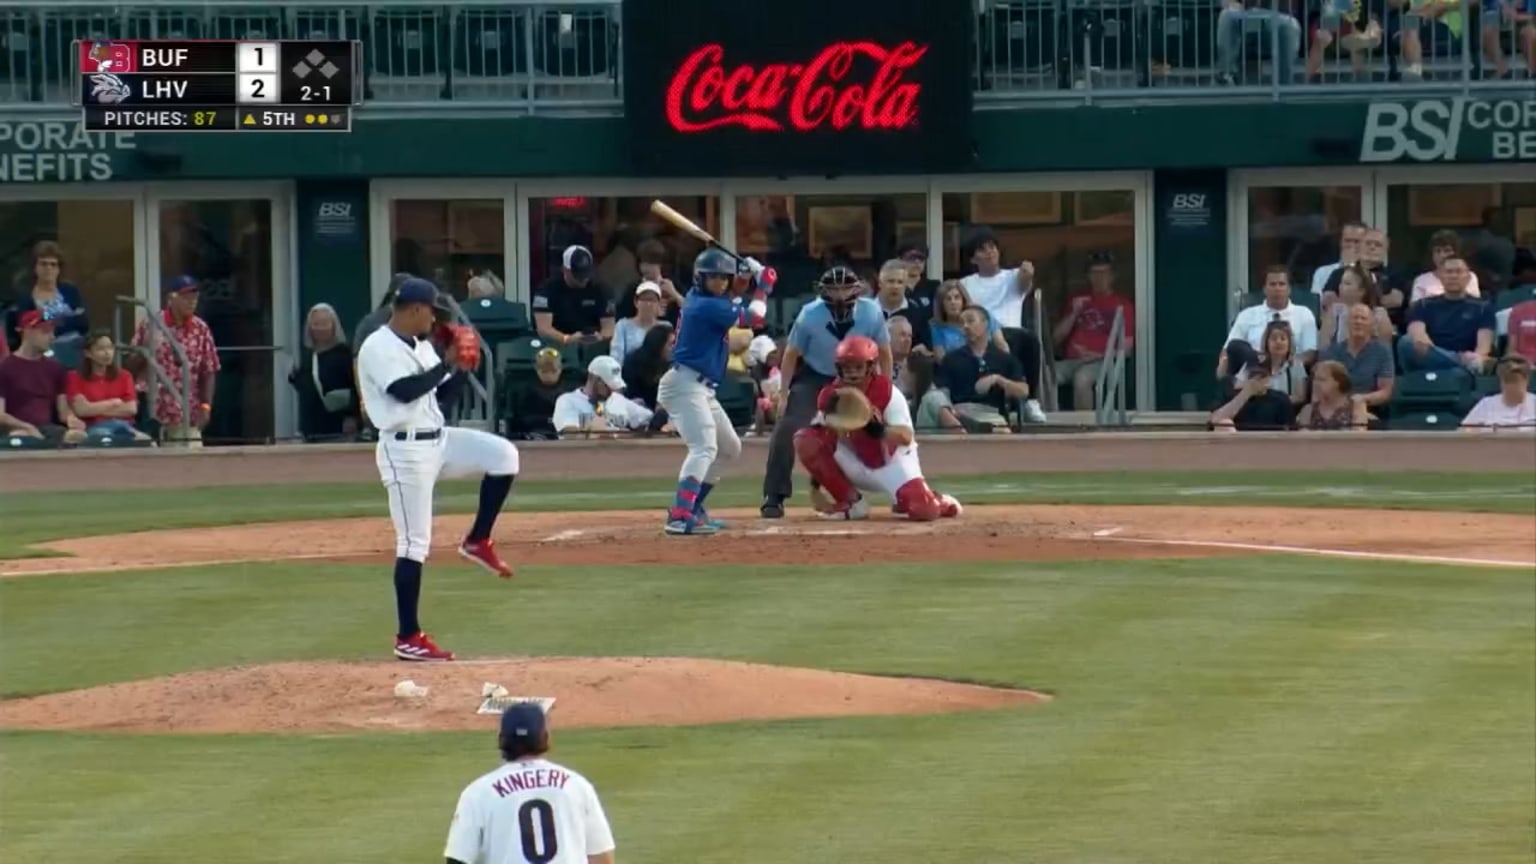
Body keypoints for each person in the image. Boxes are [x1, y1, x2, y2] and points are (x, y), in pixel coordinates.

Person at [354, 278, 522, 661]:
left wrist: (461, 370)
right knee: (414, 544)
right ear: (414, 310)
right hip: (404, 451)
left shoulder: (420, 345)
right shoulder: (378, 346)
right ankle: (408, 636)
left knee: (504, 456)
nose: (435, 318)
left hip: (438, 440)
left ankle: (478, 540)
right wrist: (446, 363)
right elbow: (403, 391)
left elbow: (439, 395)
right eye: (431, 310)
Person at [759, 265, 891, 519]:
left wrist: (885, 387)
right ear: (823, 290)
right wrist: (784, 394)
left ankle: (901, 490)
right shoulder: (810, 314)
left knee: (884, 423)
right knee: (788, 428)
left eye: (844, 287)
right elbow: (791, 355)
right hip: (816, 376)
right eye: (833, 288)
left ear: (857, 289)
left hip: (859, 377)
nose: (839, 294)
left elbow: (884, 351)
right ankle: (773, 495)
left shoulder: (871, 312)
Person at [657, 248, 769, 535]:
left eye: (724, 278)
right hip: (684, 384)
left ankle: (694, 508)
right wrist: (764, 285)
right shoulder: (705, 306)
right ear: (700, 279)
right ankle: (679, 516)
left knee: (729, 447)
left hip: (701, 388)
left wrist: (744, 278)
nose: (719, 283)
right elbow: (754, 318)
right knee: (704, 447)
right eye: (713, 278)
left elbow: (731, 300)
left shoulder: (708, 300)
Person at [792, 335, 962, 521]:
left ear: (870, 367)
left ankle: (937, 500)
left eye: (858, 367)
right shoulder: (831, 397)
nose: (852, 373)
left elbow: (905, 437)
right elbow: (820, 439)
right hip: (854, 458)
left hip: (891, 459)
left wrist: (879, 431)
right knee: (805, 438)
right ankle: (851, 502)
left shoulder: (888, 393)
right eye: (847, 367)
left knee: (923, 511)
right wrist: (815, 484)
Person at [443, 703, 616, 864]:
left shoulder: (478, 792)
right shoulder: (577, 785)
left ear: (501, 739)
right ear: (546, 738)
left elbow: (458, 859)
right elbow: (602, 858)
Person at [127, 275, 221, 447]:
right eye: (186, 298)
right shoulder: (152, 324)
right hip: (153, 410)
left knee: (191, 461)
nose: (191, 302)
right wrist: (146, 349)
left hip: (187, 411)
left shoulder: (201, 328)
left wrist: (206, 406)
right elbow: (129, 367)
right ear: (171, 298)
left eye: (194, 298)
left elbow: (209, 370)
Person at [0, 310, 87, 445]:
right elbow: (1, 415)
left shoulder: (55, 368)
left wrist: (71, 419)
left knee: (79, 437)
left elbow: (63, 412)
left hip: (47, 429)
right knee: (21, 437)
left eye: (53, 332)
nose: (52, 337)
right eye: (45, 332)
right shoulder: (5, 367)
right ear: (28, 331)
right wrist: (27, 427)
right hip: (15, 429)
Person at [1398, 256, 1494, 375]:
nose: (1453, 276)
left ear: (1468, 277)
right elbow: (1418, 336)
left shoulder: (1483, 307)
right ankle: (1459, 362)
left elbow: (1483, 349)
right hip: (1430, 359)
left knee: (1476, 363)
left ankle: (1460, 365)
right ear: (1441, 277)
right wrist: (1446, 357)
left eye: (1458, 271)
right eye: (1449, 272)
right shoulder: (1423, 304)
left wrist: (1476, 358)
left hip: (1465, 369)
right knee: (1406, 342)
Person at [288, 303, 357, 441]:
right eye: (316, 324)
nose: (320, 329)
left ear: (334, 326)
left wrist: (352, 417)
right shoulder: (307, 356)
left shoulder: (344, 355)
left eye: (325, 324)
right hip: (311, 426)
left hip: (337, 425)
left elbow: (355, 387)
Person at [66, 330, 149, 443]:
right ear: (87, 353)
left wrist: (93, 408)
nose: (107, 353)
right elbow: (81, 410)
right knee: (103, 438)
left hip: (124, 426)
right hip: (94, 426)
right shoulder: (75, 377)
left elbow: (131, 409)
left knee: (146, 441)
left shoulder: (124, 376)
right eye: (101, 349)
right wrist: (113, 403)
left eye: (110, 348)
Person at [6, 241, 88, 350]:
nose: (48, 268)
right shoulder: (25, 298)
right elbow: (28, 332)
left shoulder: (70, 291)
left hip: (76, 349)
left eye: (53, 264)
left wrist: (49, 324)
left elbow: (83, 323)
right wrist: (68, 321)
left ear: (59, 269)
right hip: (43, 352)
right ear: (35, 267)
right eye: (43, 264)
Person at [532, 245, 616, 347]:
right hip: (558, 345)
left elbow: (609, 328)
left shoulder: (601, 289)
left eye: (586, 274)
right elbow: (544, 329)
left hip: (594, 346)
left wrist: (600, 338)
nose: (583, 279)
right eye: (578, 275)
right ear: (565, 269)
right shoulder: (547, 290)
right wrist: (567, 339)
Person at [552, 356, 654, 438]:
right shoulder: (567, 401)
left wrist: (620, 434)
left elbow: (650, 421)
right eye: (608, 385)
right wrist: (591, 431)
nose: (611, 390)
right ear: (595, 379)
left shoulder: (618, 400)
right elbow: (569, 435)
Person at [1460, 355, 1536, 432]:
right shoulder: (1486, 404)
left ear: (1527, 381)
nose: (1512, 386)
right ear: (1501, 381)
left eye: (1516, 381)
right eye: (1508, 381)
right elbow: (1462, 432)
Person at [1296, 360, 1368, 431]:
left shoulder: (1356, 406)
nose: (1316, 384)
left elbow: (1359, 437)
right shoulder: (1308, 410)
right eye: (1315, 379)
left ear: (1338, 382)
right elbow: (1303, 440)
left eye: (1322, 379)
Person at [608, 281, 665, 365]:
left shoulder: (665, 327)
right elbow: (616, 356)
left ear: (659, 303)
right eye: (644, 299)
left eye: (652, 300)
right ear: (636, 302)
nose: (648, 304)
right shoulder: (623, 325)